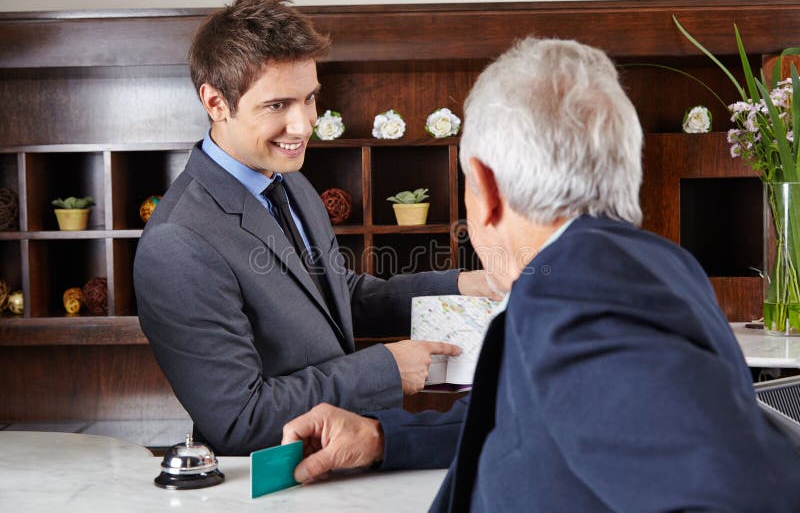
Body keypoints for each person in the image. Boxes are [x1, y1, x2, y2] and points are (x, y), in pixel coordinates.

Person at [281, 37, 800, 511]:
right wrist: (380, 435)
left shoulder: (575, 300)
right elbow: (540, 416)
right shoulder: (644, 264)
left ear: (486, 189)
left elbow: (747, 489)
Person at [133, 0, 495, 456]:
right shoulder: (177, 241)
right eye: (277, 105)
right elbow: (240, 420)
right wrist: (385, 369)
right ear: (216, 101)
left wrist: (465, 285)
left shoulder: (292, 183)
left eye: (309, 99)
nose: (303, 125)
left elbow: (338, 297)